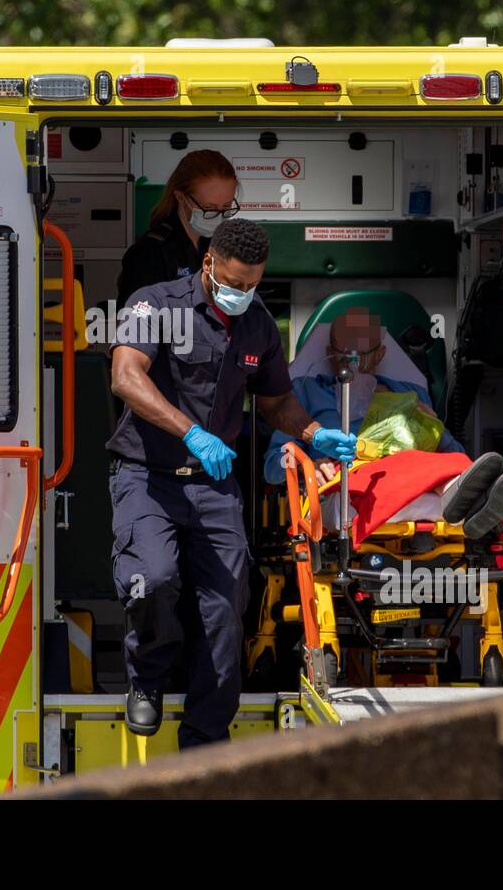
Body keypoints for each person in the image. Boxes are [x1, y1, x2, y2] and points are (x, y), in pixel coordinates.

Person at [106, 218, 356, 747]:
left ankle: (205, 743)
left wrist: (315, 433)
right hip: (147, 480)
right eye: (235, 282)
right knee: (152, 580)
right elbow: (126, 376)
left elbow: (275, 402)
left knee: (226, 607)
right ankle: (146, 679)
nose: (243, 293)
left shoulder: (258, 323)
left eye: (253, 284)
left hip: (213, 488)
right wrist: (191, 432)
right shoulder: (157, 304)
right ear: (209, 264)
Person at [264, 307, 503, 539]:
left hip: (409, 469)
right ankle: (472, 504)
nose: (353, 364)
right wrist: (308, 466)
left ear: (380, 355)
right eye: (344, 355)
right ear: (328, 353)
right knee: (390, 476)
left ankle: (462, 493)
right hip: (348, 477)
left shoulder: (406, 396)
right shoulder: (304, 393)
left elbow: (452, 451)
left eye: (362, 355)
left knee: (455, 463)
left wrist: (429, 425)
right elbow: (272, 467)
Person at [116, 149, 240, 304]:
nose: (218, 216)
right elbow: (134, 322)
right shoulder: (151, 253)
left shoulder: (220, 248)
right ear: (181, 197)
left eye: (226, 207)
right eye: (209, 208)